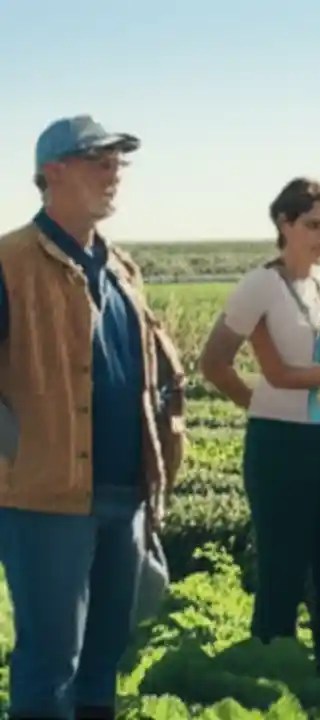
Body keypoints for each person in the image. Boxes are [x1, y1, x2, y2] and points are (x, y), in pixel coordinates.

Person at [0, 115, 182, 720]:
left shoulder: (122, 268)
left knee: (104, 659)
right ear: (53, 173)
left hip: (125, 493)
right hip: (47, 499)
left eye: (118, 164)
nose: (115, 175)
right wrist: (18, 451)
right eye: (99, 162)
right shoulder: (11, 263)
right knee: (51, 662)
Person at [198, 177, 320, 675]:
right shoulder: (261, 285)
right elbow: (215, 363)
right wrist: (260, 405)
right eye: (313, 225)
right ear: (284, 224)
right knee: (283, 567)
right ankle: (273, 679)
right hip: (281, 445)